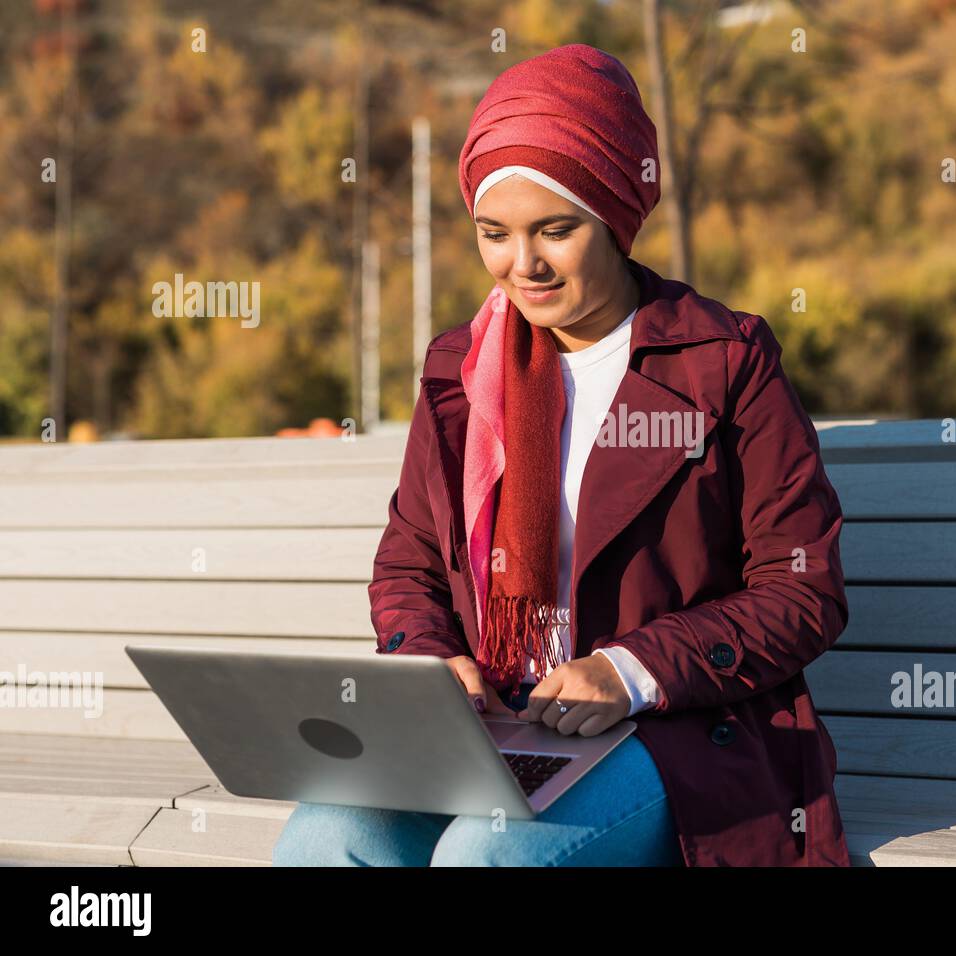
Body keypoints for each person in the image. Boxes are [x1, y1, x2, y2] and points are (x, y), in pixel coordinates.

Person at [273, 43, 850, 867]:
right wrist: (435, 666)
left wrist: (631, 668)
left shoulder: (726, 360)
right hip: (494, 725)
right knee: (323, 839)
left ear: (615, 217)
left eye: (556, 229)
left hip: (676, 734)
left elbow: (803, 591)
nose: (522, 265)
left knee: (484, 855)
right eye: (494, 233)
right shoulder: (459, 371)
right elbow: (410, 566)